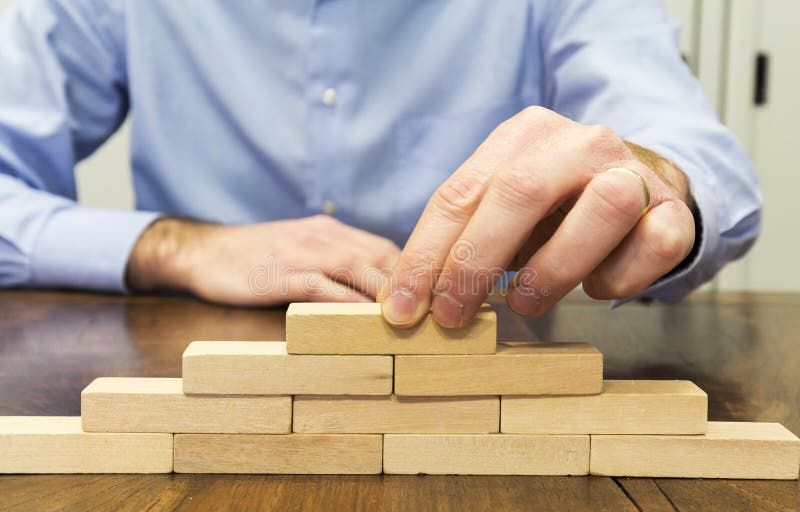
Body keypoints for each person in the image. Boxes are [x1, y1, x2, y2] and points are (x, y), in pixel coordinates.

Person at [0, 0, 760, 329]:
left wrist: (658, 183)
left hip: (486, 383)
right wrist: (175, 245)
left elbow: (699, 160)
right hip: (195, 377)